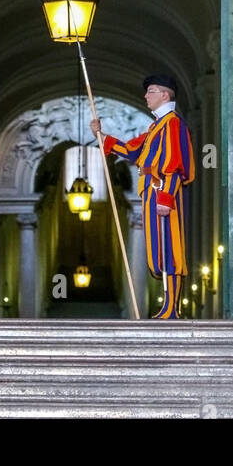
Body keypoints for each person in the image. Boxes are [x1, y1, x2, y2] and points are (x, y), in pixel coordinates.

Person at [91, 74, 195, 319]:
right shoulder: (155, 127)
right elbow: (132, 150)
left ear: (165, 95)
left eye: (151, 91)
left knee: (170, 248)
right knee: (158, 250)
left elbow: (174, 164)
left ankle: (171, 308)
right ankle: (167, 306)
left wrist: (166, 199)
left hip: (162, 193)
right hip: (151, 192)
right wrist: (101, 135)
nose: (146, 96)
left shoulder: (172, 124)